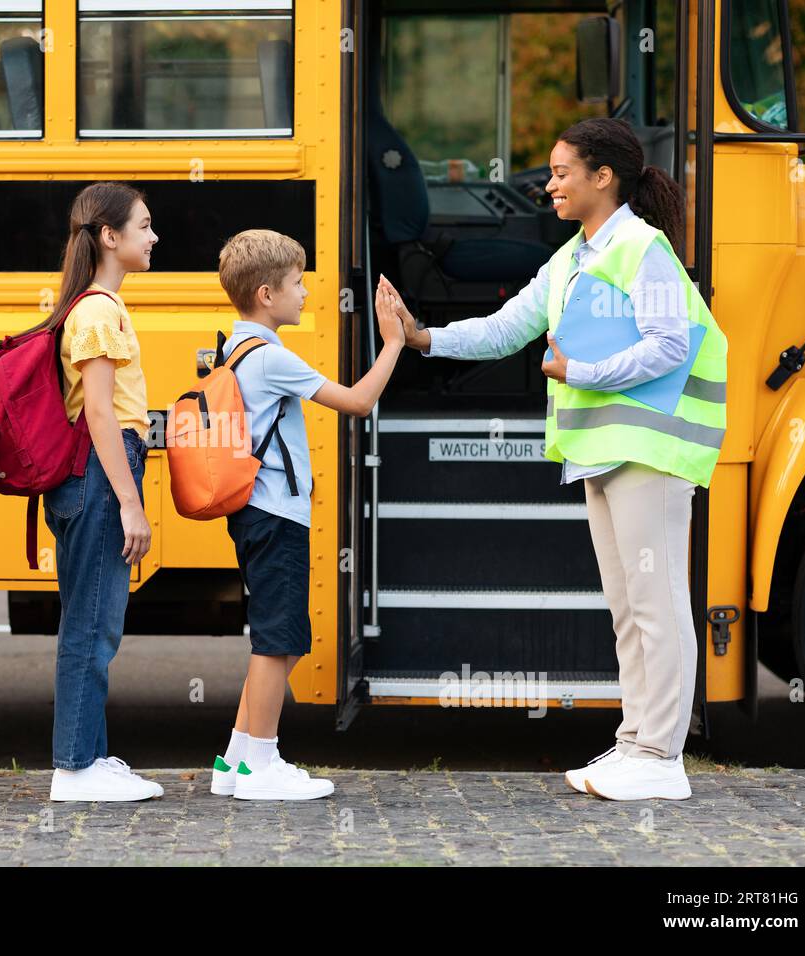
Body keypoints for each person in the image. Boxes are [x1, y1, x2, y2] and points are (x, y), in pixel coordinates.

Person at [381, 117, 728, 801]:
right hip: (606, 451)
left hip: (649, 450)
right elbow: (509, 328)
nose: (551, 184)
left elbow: (669, 347)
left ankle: (662, 757)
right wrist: (421, 338)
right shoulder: (575, 255)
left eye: (563, 171)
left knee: (657, 604)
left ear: (605, 177)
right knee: (630, 608)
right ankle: (636, 744)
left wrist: (584, 370)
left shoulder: (643, 248)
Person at [211, 229, 411, 800]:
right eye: (299, 283)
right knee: (278, 640)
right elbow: (357, 401)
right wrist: (392, 342)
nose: (307, 293)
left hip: (255, 512)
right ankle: (262, 764)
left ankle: (237, 758)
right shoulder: (271, 357)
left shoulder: (236, 347)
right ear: (268, 294)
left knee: (280, 637)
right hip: (275, 514)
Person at [29, 182, 161, 801]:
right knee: (91, 623)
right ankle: (76, 767)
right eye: (144, 226)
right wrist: (131, 504)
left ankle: (88, 756)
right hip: (102, 476)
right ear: (110, 237)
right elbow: (103, 416)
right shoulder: (98, 310)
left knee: (96, 620)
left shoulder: (95, 305)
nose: (153, 237)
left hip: (93, 476)